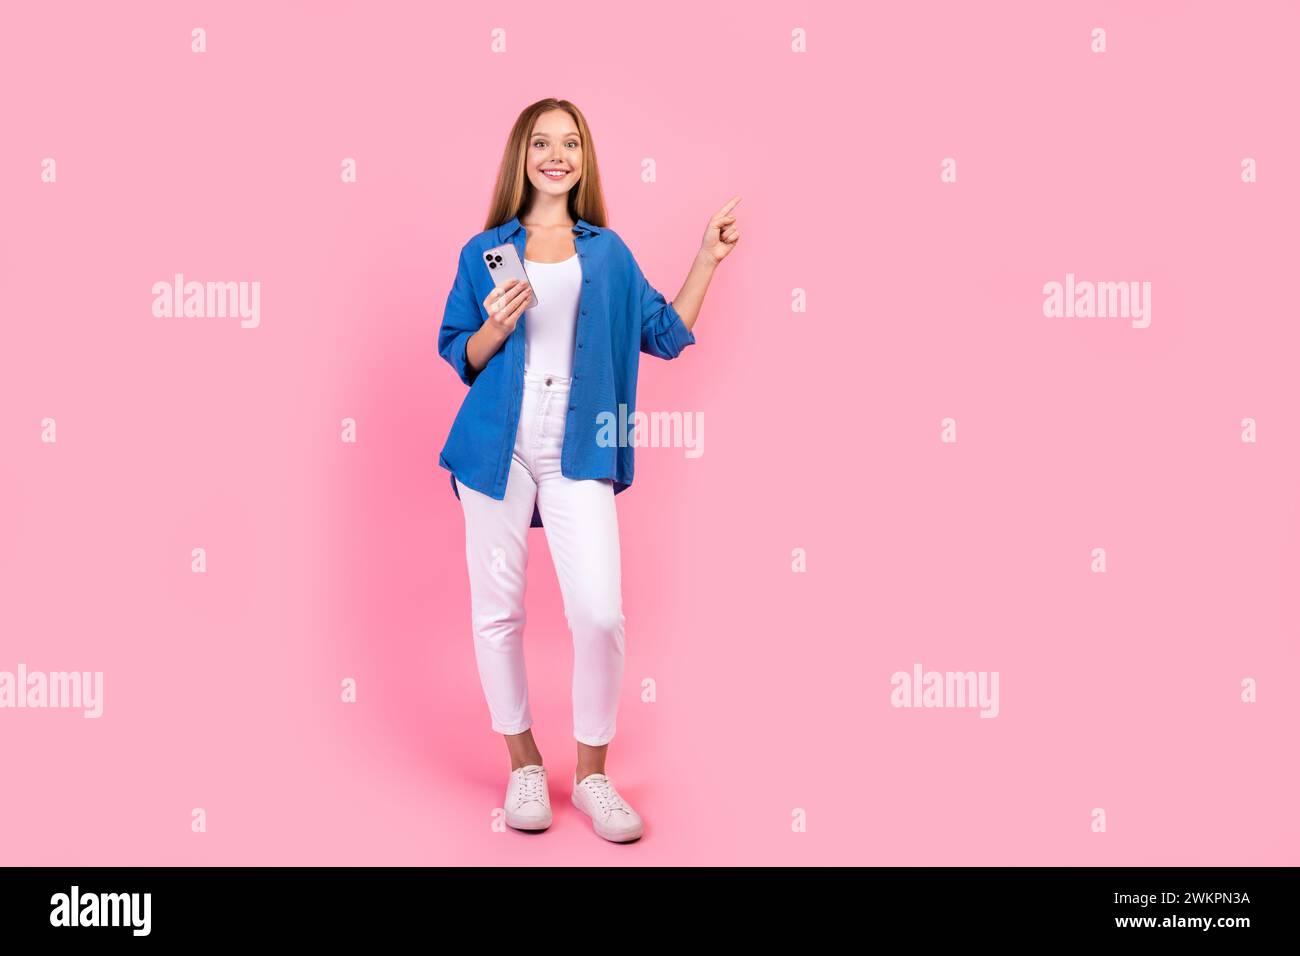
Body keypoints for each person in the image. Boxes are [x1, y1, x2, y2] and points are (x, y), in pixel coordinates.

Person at [436, 97, 741, 842]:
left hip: (579, 441)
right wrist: (495, 328)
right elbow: (459, 355)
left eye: (569, 143)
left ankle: (595, 775)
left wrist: (706, 257)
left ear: (584, 158)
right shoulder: (487, 251)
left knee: (599, 612)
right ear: (521, 155)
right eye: (541, 142)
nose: (556, 155)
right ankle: (524, 766)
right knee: (498, 612)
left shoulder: (606, 252)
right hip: (496, 442)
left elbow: (664, 335)